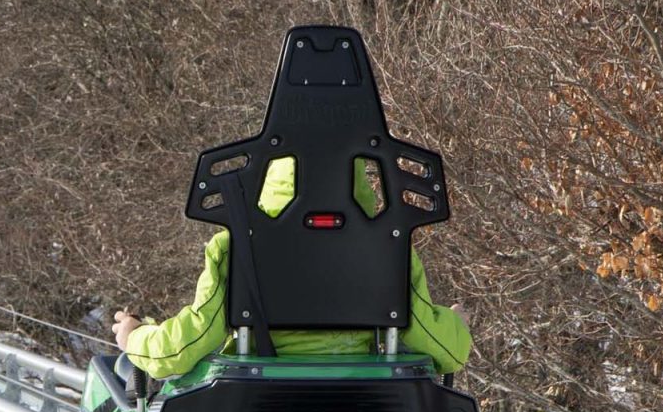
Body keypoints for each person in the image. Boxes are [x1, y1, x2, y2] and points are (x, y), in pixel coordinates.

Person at [113, 156, 470, 380]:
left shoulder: (237, 244)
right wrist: (456, 325)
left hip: (260, 399)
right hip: (361, 398)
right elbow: (442, 347)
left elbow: (187, 344)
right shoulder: (390, 246)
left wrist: (135, 337)